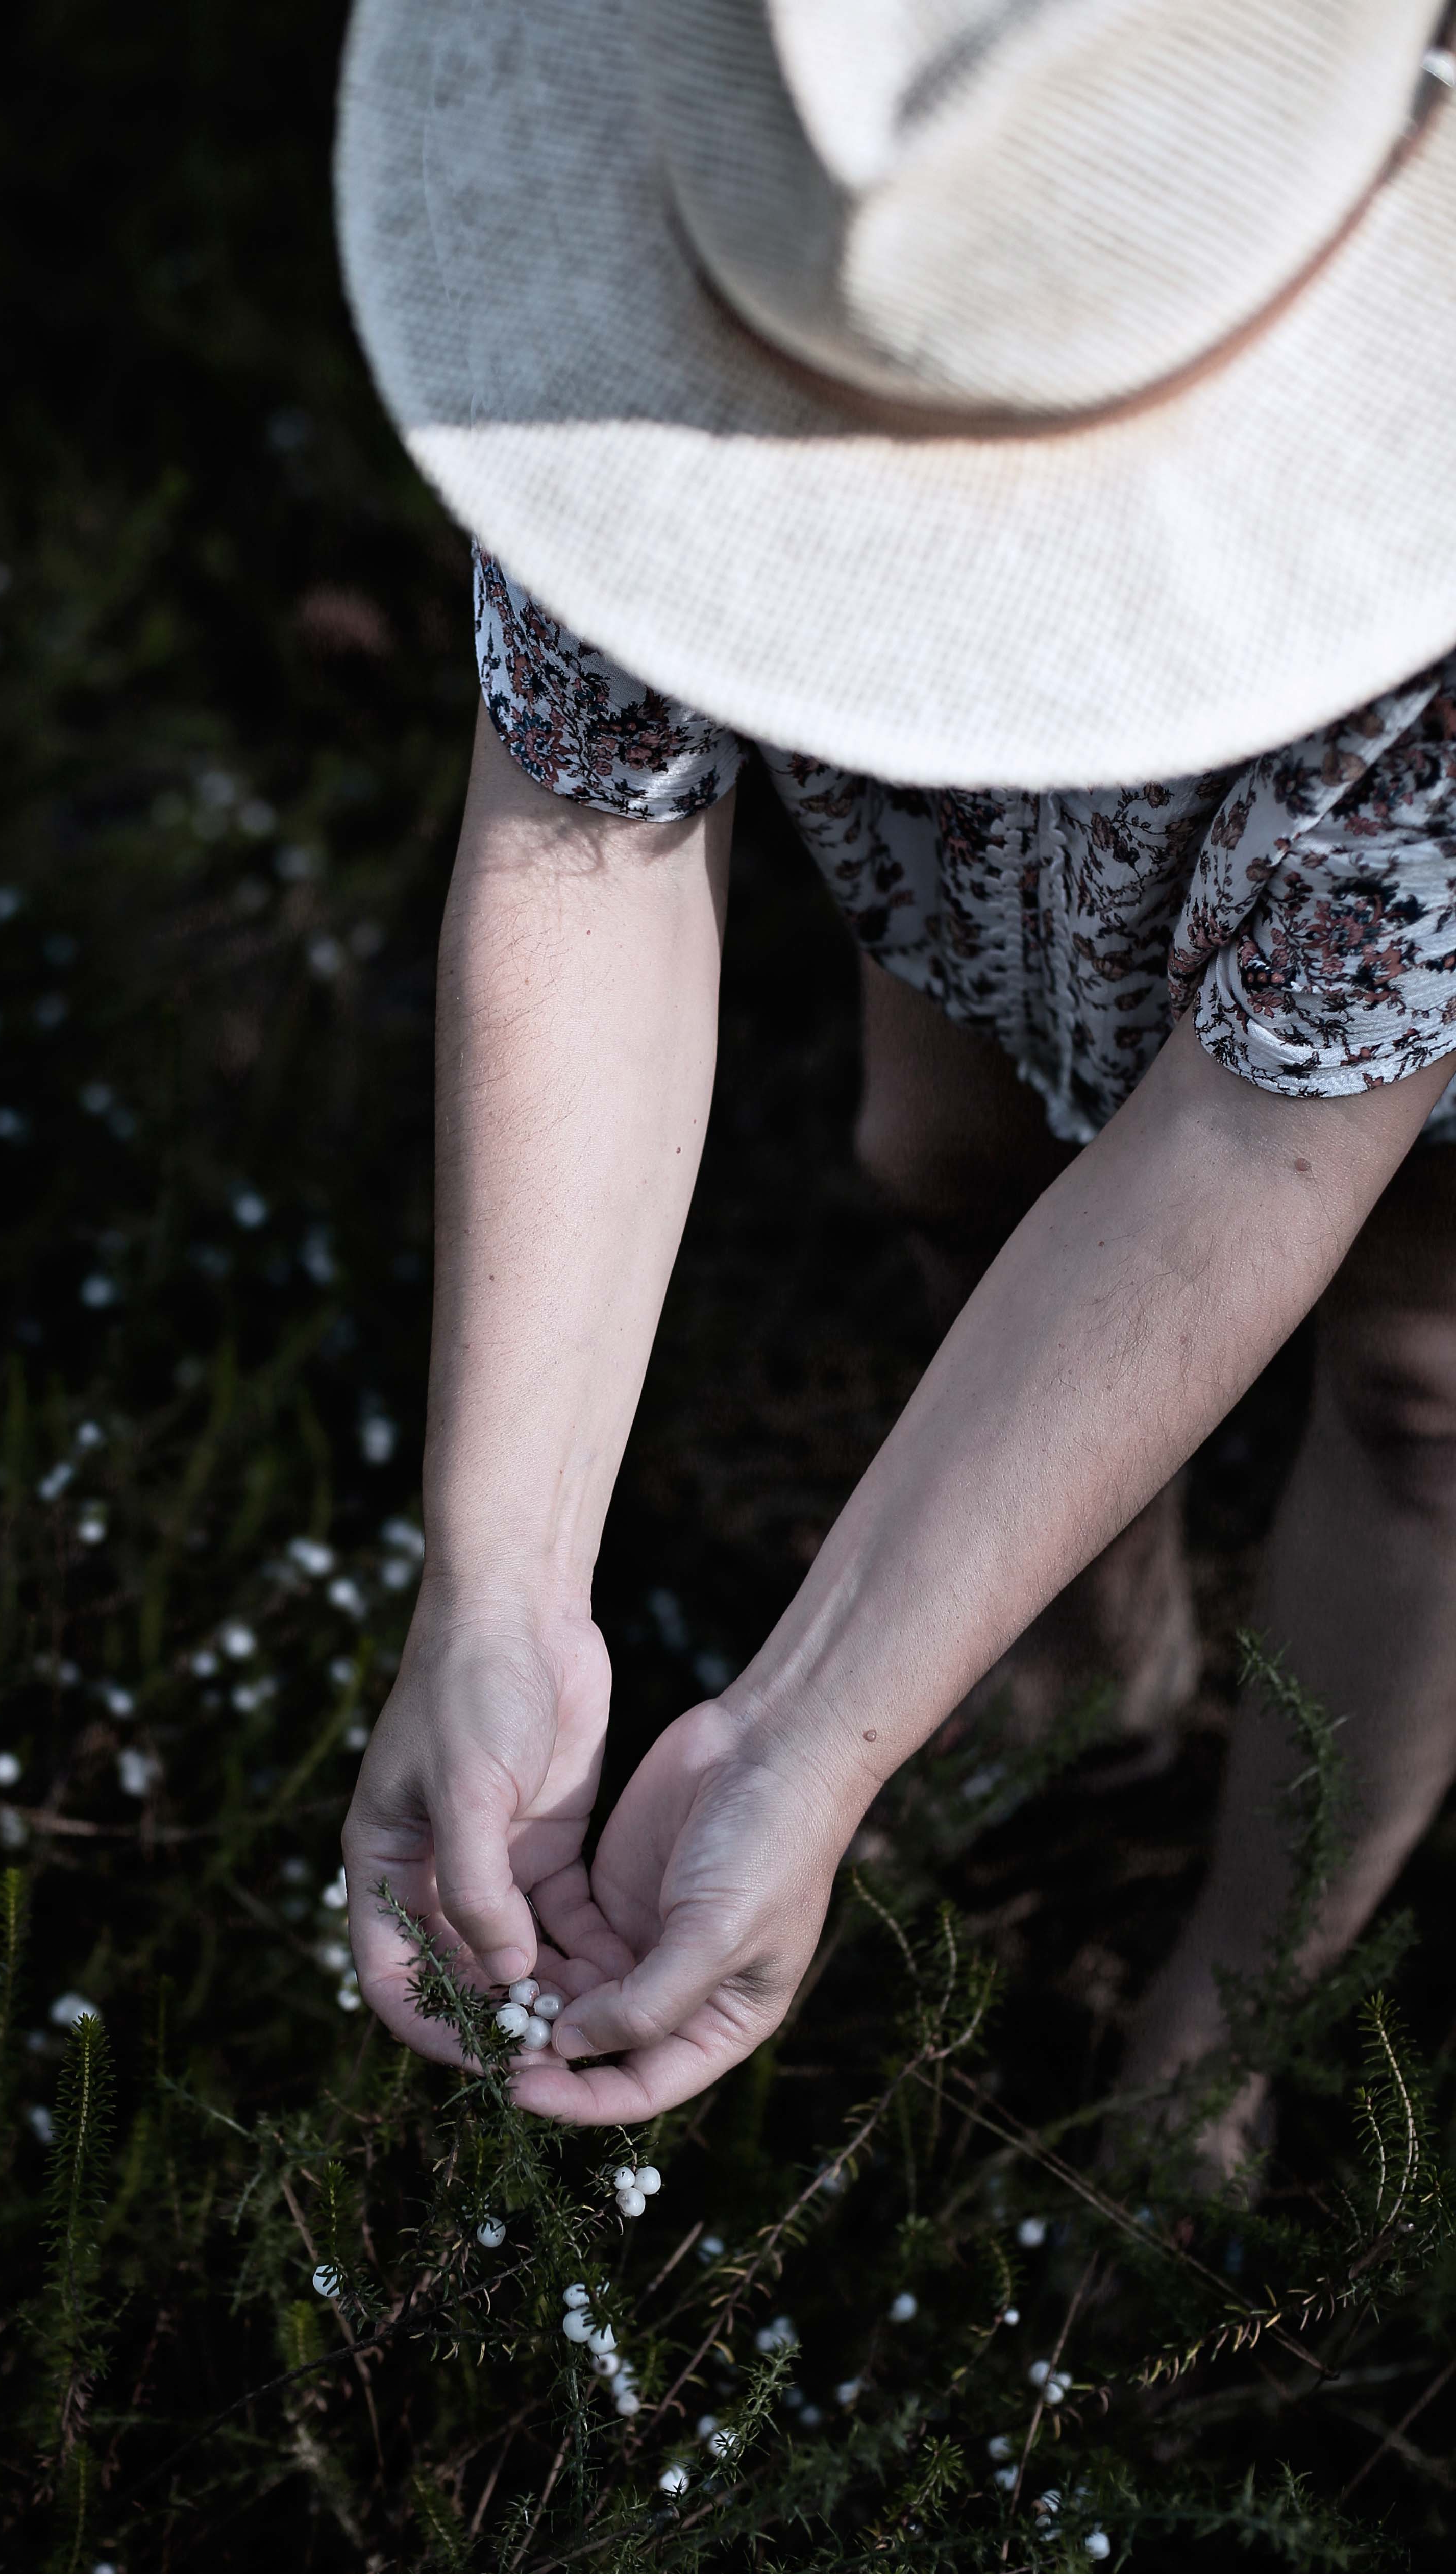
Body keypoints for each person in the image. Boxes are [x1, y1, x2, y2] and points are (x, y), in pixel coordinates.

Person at [330, 0, 1456, 2157]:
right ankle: (1080, 1642)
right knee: (938, 1142)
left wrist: (817, 1735)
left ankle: (1229, 2018)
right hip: (974, 839)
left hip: (1385, 952)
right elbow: (591, 833)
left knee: (1422, 1391)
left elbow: (1246, 1134)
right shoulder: (730, 210)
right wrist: (496, 1588)